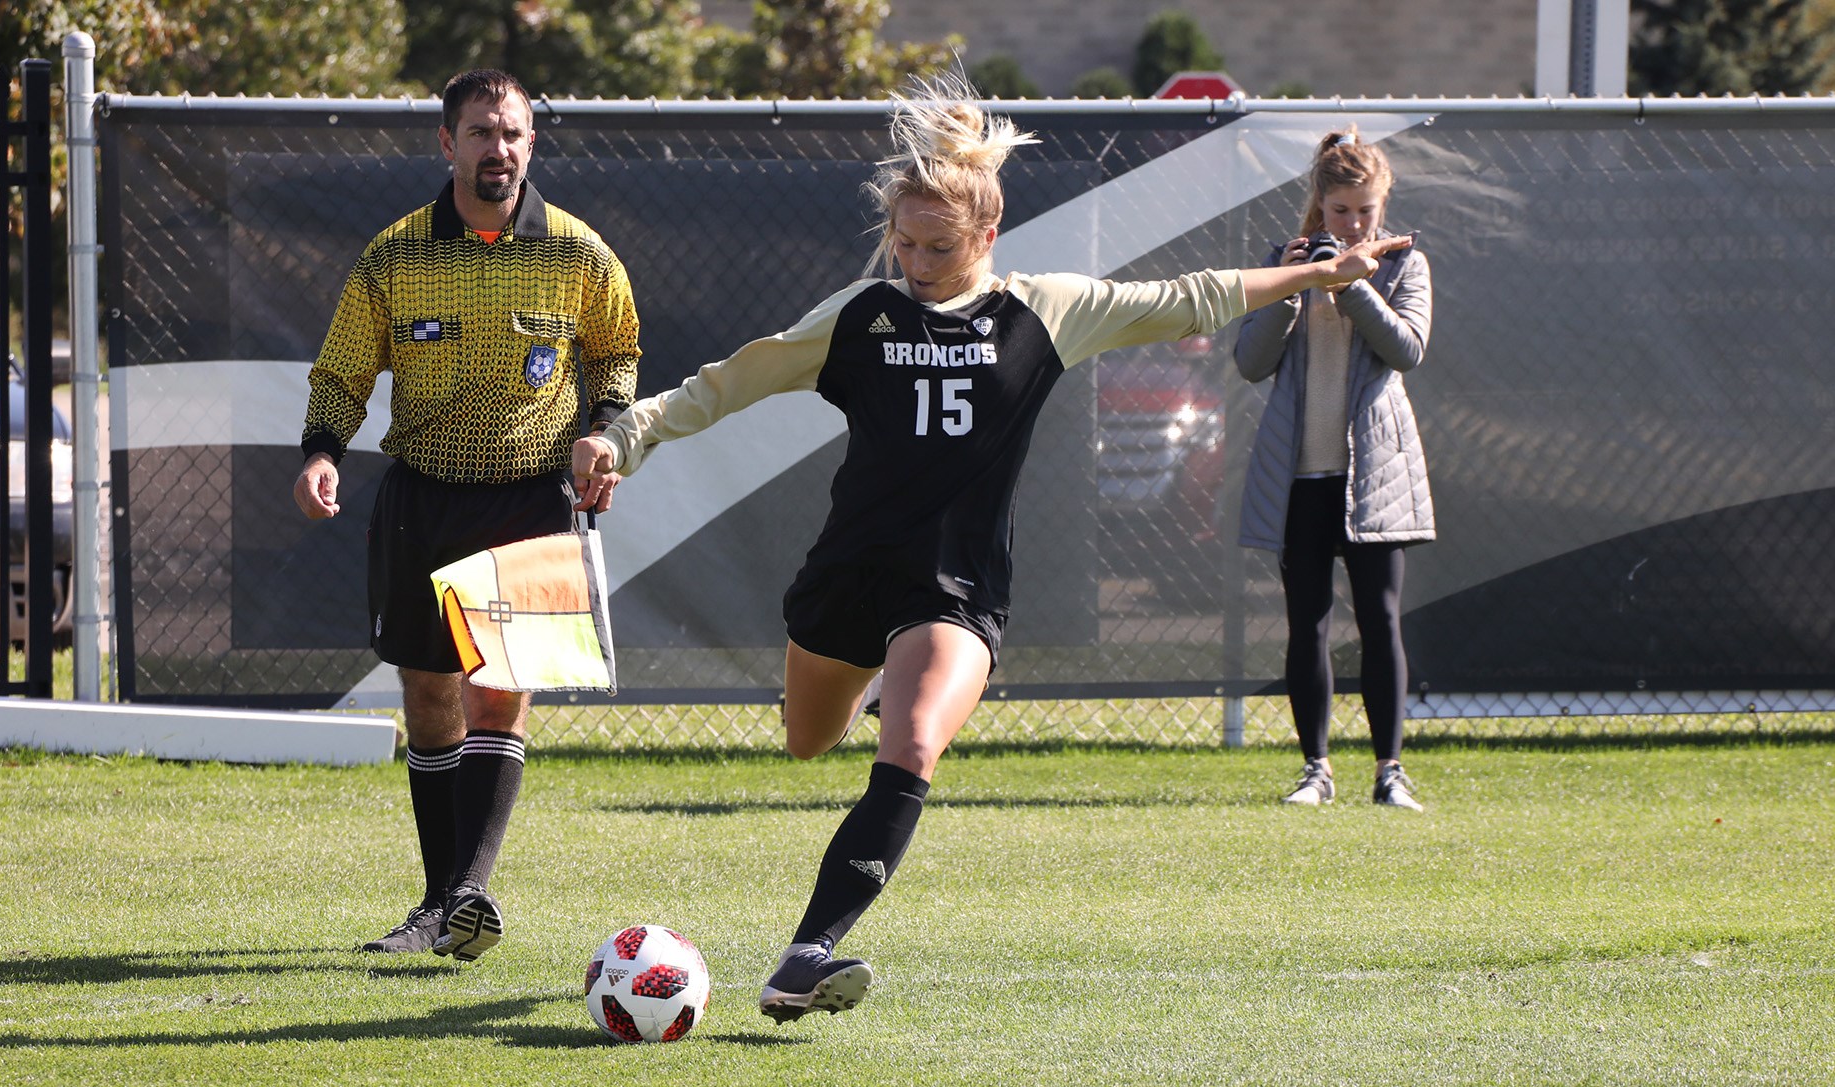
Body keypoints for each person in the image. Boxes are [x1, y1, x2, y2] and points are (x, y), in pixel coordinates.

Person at [569, 78, 1411, 1021]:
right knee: (806, 740)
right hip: (849, 576)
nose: (918, 261)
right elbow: (727, 383)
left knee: (916, 741)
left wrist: (1314, 276)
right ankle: (876, 685)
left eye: (940, 245)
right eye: (907, 242)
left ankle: (807, 952)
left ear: (988, 235)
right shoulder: (862, 315)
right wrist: (623, 436)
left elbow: (1189, 298)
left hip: (955, 588)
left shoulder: (1041, 311)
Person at [293, 69, 641, 960]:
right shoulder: (395, 255)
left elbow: (617, 357)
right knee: (430, 694)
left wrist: (604, 432)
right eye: (482, 132)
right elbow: (341, 372)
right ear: (446, 143)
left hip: (531, 498)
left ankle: (464, 896)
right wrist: (323, 453)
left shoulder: (577, 252)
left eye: (515, 133)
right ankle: (442, 900)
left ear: (533, 143)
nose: (500, 149)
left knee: (500, 692)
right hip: (422, 497)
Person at [1232, 126, 1434, 811]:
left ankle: (1390, 770)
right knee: (1306, 621)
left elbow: (1406, 350)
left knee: (1380, 619)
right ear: (1318, 206)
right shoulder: (1282, 261)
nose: (1351, 224)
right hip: (1300, 481)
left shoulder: (1407, 264)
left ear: (1382, 208)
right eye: (1339, 210)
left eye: (1364, 211)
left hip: (1374, 477)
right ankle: (1315, 769)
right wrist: (1293, 286)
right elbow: (1250, 363)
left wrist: (1352, 286)